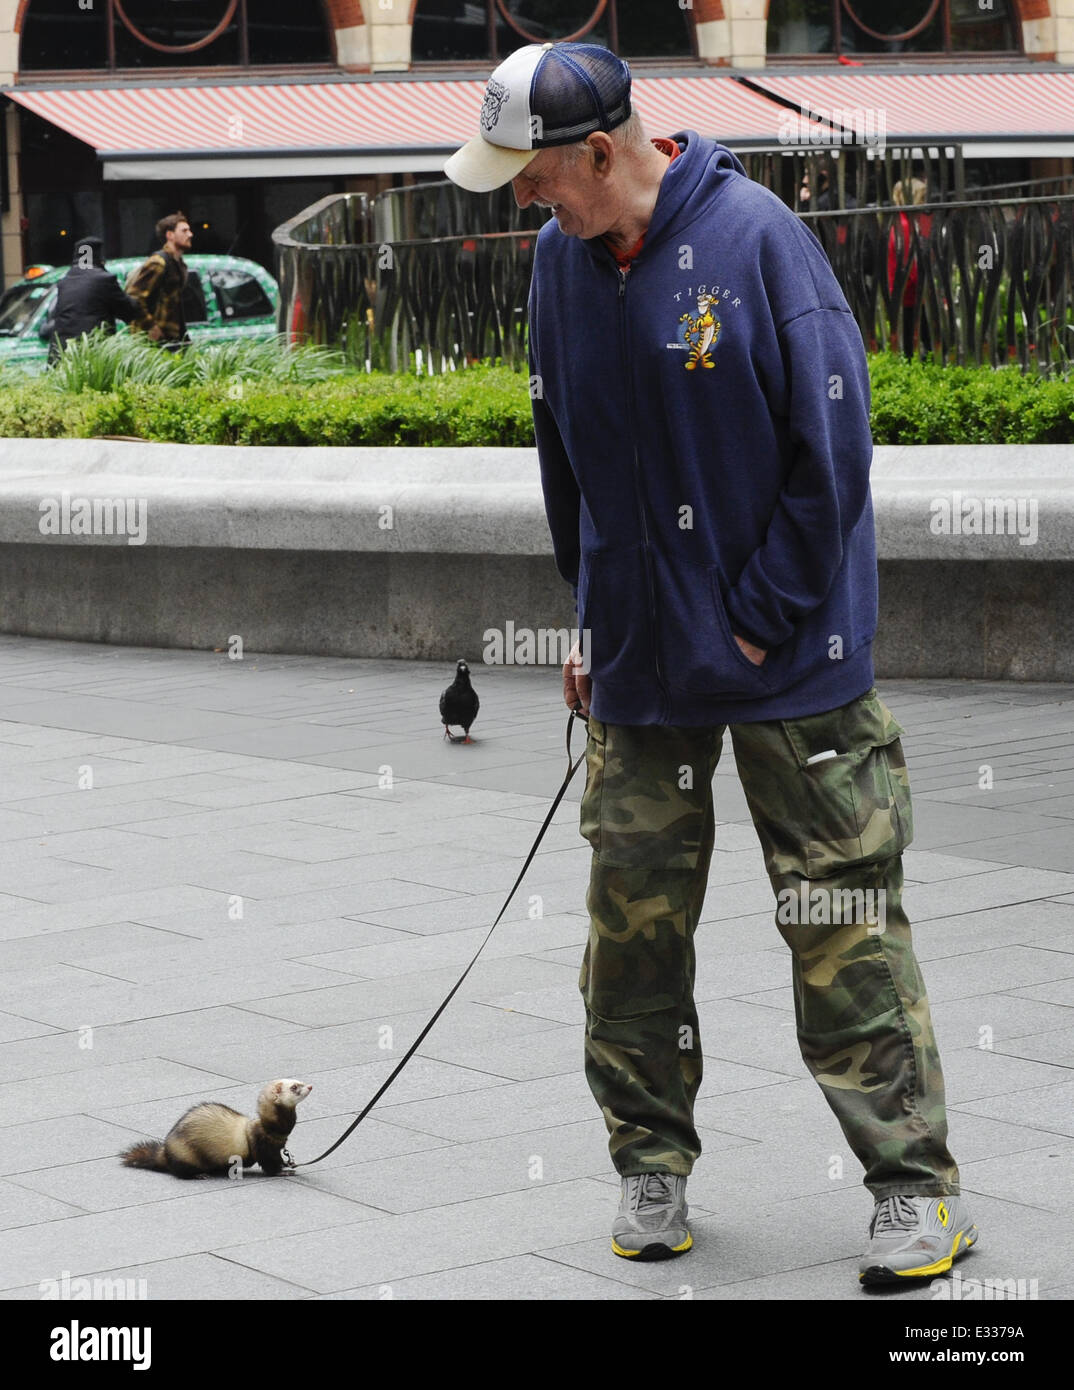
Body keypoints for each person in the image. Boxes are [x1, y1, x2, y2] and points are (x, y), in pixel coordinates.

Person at [445, 41, 977, 1287]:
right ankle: (650, 1162)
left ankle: (914, 1187)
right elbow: (562, 454)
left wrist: (758, 616)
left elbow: (833, 456)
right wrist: (595, 613)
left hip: (794, 665)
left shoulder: (758, 243)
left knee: (839, 921)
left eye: (533, 175)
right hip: (641, 663)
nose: (523, 198)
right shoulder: (556, 267)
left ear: (598, 149)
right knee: (630, 929)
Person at [43, 236, 138, 363]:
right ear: (99, 258)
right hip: (93, 356)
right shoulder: (103, 279)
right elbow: (129, 311)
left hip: (62, 355)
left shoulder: (65, 281)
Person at [125, 211, 193, 348]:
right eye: (184, 231)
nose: (190, 234)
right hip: (153, 342)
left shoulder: (179, 264)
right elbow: (134, 297)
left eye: (189, 230)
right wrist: (150, 326)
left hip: (172, 338)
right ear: (170, 235)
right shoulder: (159, 262)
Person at [887, 178, 932, 358]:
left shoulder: (901, 222)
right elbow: (908, 263)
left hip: (905, 290)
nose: (924, 203)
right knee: (916, 335)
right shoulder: (906, 225)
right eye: (921, 198)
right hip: (910, 291)